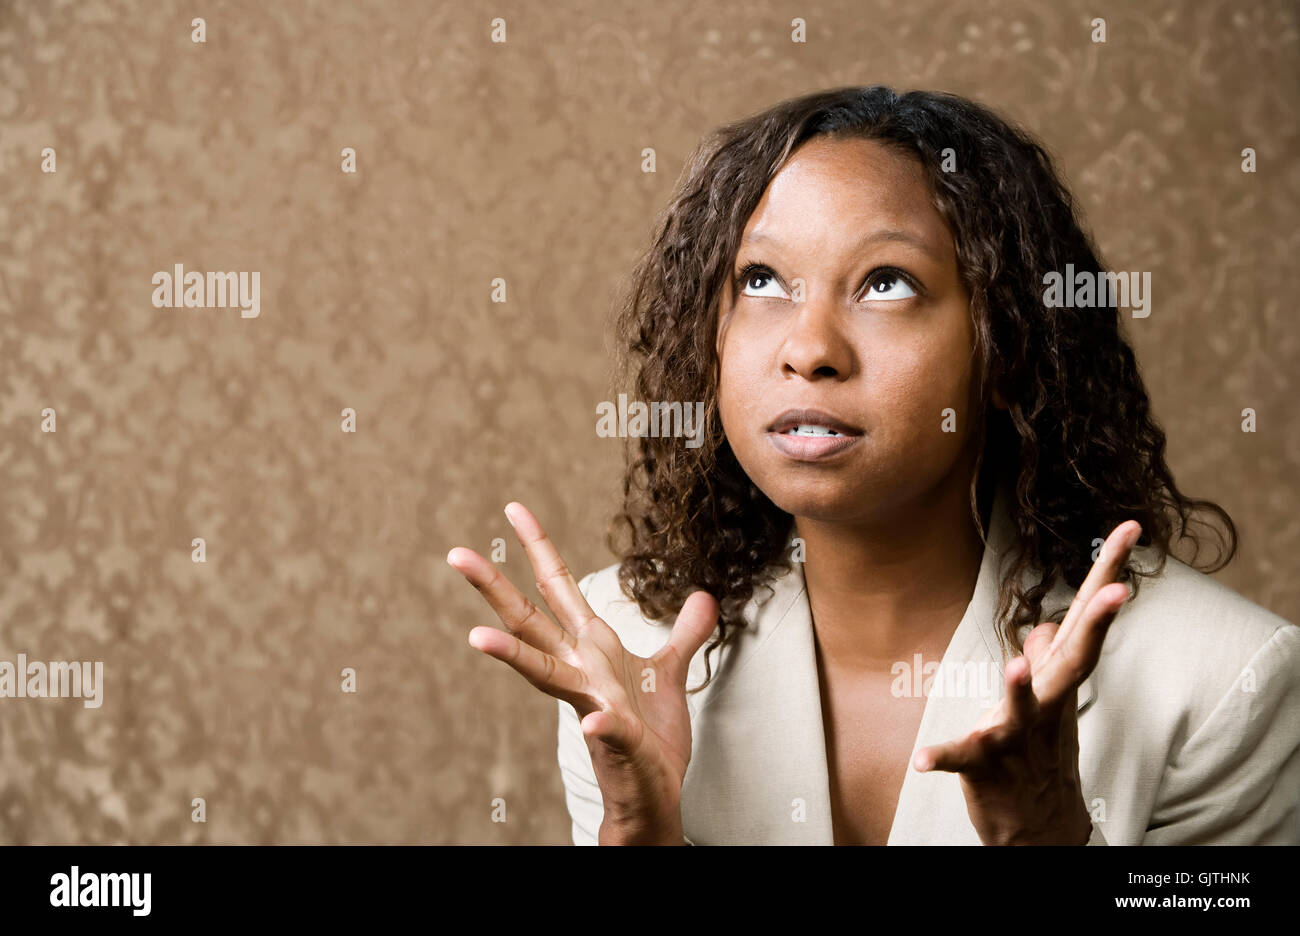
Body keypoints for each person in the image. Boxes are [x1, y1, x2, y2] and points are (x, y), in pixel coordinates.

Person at [447, 86, 1300, 845]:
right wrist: (642, 831)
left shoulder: (1221, 680)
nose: (809, 349)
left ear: (1007, 346)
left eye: (887, 283)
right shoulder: (622, 646)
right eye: (762, 280)